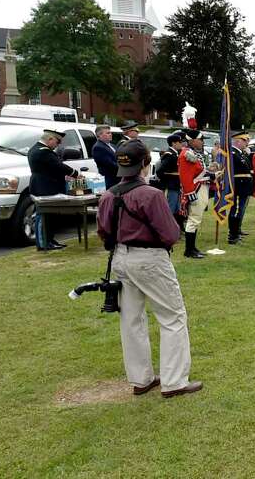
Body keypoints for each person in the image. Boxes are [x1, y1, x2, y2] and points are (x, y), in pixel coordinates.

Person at [97, 139, 203, 399]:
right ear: (145, 164)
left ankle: (141, 378)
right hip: (150, 258)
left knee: (131, 320)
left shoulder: (109, 195)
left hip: (121, 257)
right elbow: (170, 233)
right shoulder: (151, 195)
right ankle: (174, 380)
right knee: (172, 317)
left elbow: (103, 231)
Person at [28, 129, 78, 251]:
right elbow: (58, 165)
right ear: (50, 139)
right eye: (57, 141)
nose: (58, 144)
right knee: (44, 215)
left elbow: (51, 168)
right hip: (44, 188)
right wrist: (74, 173)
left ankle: (49, 240)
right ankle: (43, 243)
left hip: (46, 186)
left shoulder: (38, 149)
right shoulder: (42, 152)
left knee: (50, 216)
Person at [176, 129, 212, 259]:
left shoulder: (193, 153)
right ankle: (189, 250)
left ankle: (193, 248)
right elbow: (185, 177)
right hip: (195, 189)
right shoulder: (187, 154)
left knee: (196, 219)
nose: (202, 142)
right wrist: (190, 193)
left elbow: (199, 171)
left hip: (201, 186)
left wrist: (211, 175)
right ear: (192, 141)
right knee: (193, 219)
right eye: (201, 140)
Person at [152, 132, 186, 231]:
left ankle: (173, 230)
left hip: (175, 186)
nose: (181, 144)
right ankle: (163, 230)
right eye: (179, 142)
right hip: (170, 186)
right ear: (173, 143)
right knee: (169, 209)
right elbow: (159, 171)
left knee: (176, 209)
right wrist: (166, 182)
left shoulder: (176, 154)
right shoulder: (169, 155)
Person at [227, 131, 254, 245]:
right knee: (236, 210)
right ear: (238, 141)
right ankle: (233, 236)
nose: (247, 143)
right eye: (245, 140)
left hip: (244, 187)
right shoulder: (232, 154)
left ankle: (236, 231)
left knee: (240, 210)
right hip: (238, 187)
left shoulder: (241, 153)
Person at [91, 125, 119, 189]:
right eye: (108, 133)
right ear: (99, 135)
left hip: (118, 180)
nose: (110, 134)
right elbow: (110, 164)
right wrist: (125, 168)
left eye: (110, 132)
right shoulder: (98, 147)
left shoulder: (112, 145)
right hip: (110, 181)